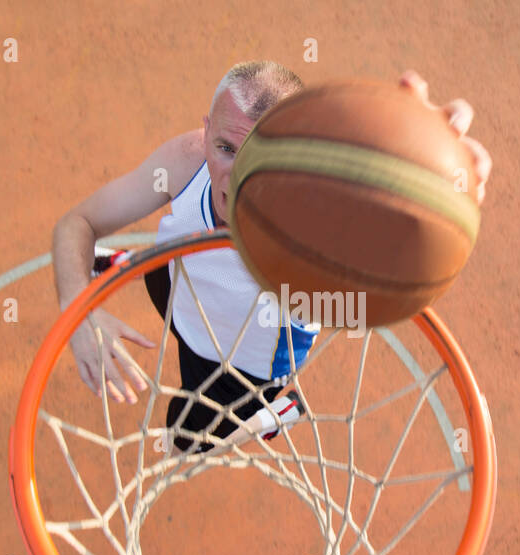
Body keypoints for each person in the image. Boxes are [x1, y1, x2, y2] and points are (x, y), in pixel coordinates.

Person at [51, 62, 491, 452]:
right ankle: (125, 262)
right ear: (206, 133)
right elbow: (76, 223)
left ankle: (282, 409)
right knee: (164, 268)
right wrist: (78, 312)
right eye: (224, 148)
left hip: (242, 362)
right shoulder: (184, 161)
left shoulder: (317, 228)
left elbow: (387, 248)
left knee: (186, 445)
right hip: (178, 288)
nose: (237, 176)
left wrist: (423, 171)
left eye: (258, 156)